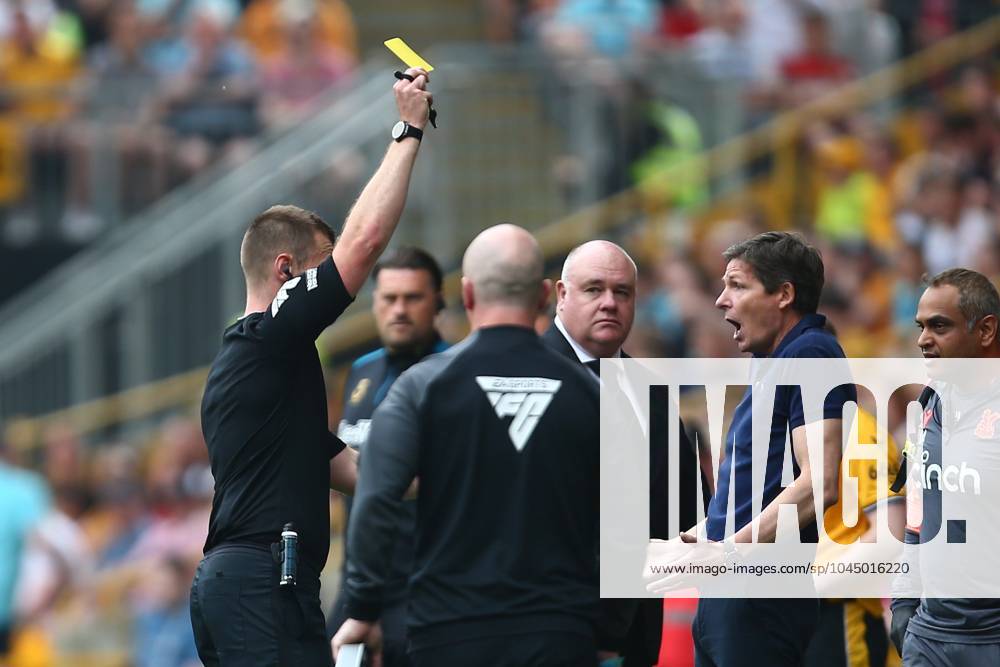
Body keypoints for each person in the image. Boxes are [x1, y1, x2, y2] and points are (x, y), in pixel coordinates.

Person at [190, 67, 433, 667]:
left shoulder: (269, 372)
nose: (338, 288)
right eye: (320, 269)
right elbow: (367, 240)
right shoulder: (270, 332)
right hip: (257, 584)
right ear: (284, 271)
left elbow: (359, 471)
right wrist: (408, 128)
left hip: (263, 586)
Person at [332, 224, 602, 666]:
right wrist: (607, 627)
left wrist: (361, 609)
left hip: (449, 632)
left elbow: (376, 498)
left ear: (467, 295)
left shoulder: (421, 387)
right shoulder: (589, 392)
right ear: (542, 296)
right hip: (561, 633)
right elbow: (626, 522)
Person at [692, 231, 854, 667]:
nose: (721, 300)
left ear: (784, 294)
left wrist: (730, 550)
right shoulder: (771, 362)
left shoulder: (813, 352)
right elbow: (762, 479)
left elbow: (820, 483)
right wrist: (705, 532)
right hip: (731, 593)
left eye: (737, 285)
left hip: (758, 595)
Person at [543, 239, 702, 666]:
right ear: (562, 295)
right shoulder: (527, 377)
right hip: (553, 626)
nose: (609, 303)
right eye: (594, 290)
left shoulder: (650, 389)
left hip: (636, 627)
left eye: (622, 292)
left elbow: (681, 504)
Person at [326, 246, 449, 665]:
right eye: (389, 298)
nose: (399, 310)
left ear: (439, 302)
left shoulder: (457, 374)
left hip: (428, 592)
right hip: (358, 586)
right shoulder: (361, 373)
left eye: (412, 298)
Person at [889, 268, 1000, 666]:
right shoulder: (925, 408)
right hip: (929, 636)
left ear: (985, 330)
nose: (922, 340)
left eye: (939, 326)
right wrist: (903, 599)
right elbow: (919, 517)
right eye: (920, 326)